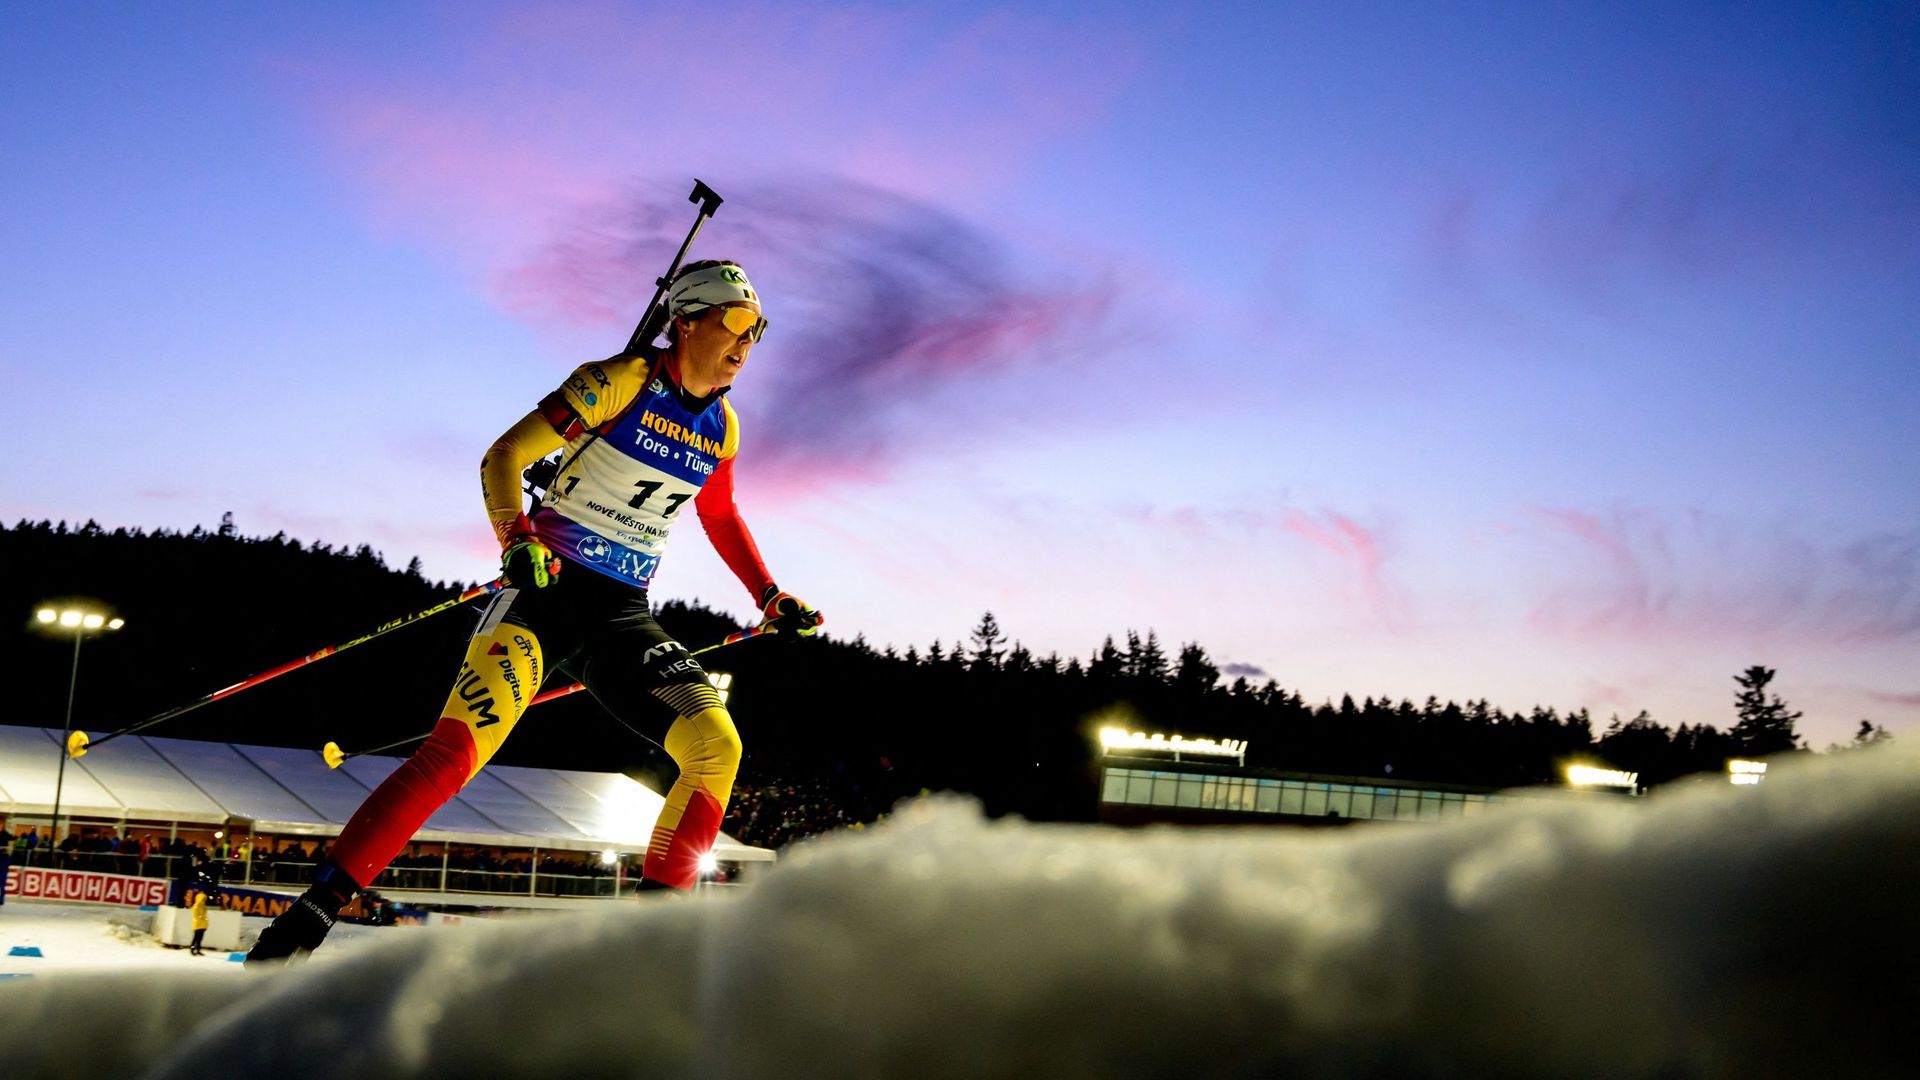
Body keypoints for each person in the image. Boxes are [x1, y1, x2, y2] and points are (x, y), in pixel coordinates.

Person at [248, 259, 821, 963]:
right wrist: (516, 538)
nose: (746, 341)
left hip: (620, 616)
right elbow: (506, 454)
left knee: (716, 748)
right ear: (687, 321)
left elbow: (720, 513)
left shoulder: (723, 427)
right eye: (734, 322)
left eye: (757, 329)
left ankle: (644, 949)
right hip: (543, 596)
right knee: (454, 755)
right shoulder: (619, 381)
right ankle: (305, 922)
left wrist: (769, 594)